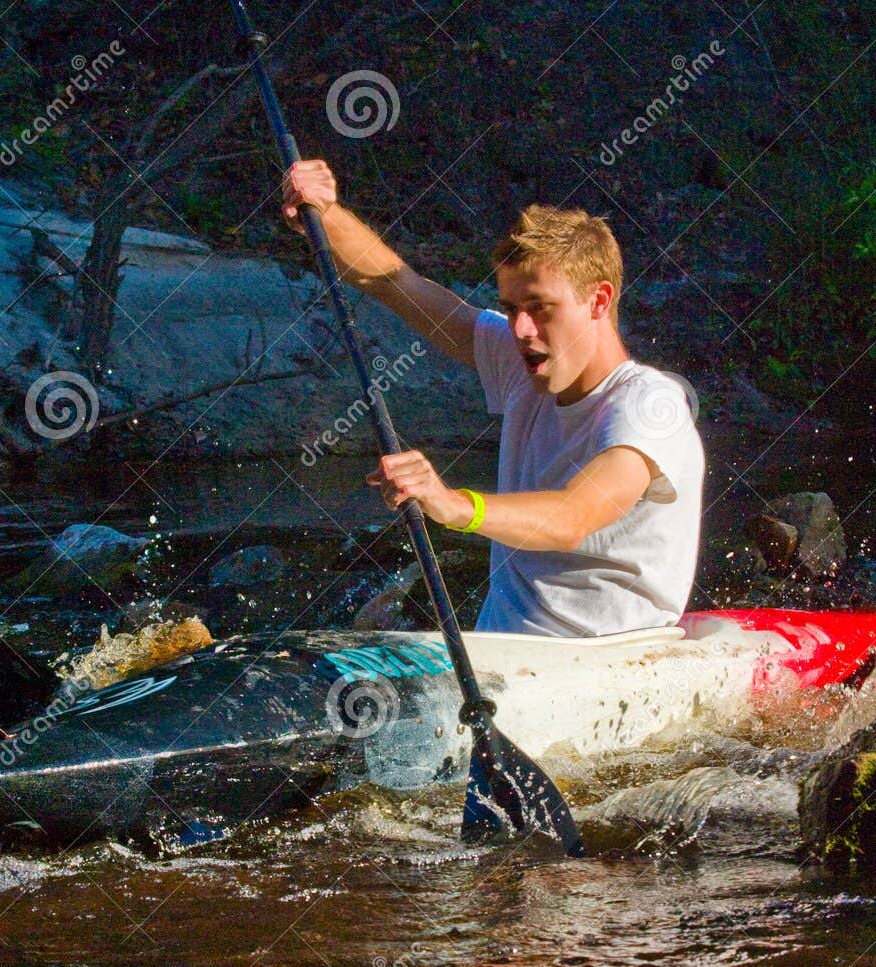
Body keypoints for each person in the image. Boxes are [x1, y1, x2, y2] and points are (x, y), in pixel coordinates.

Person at [281, 160, 704, 638]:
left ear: (599, 301)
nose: (521, 330)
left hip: (603, 662)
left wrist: (455, 505)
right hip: (499, 654)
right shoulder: (525, 356)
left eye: (540, 308)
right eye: (510, 309)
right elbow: (393, 281)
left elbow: (574, 516)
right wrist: (325, 212)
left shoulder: (648, 405)